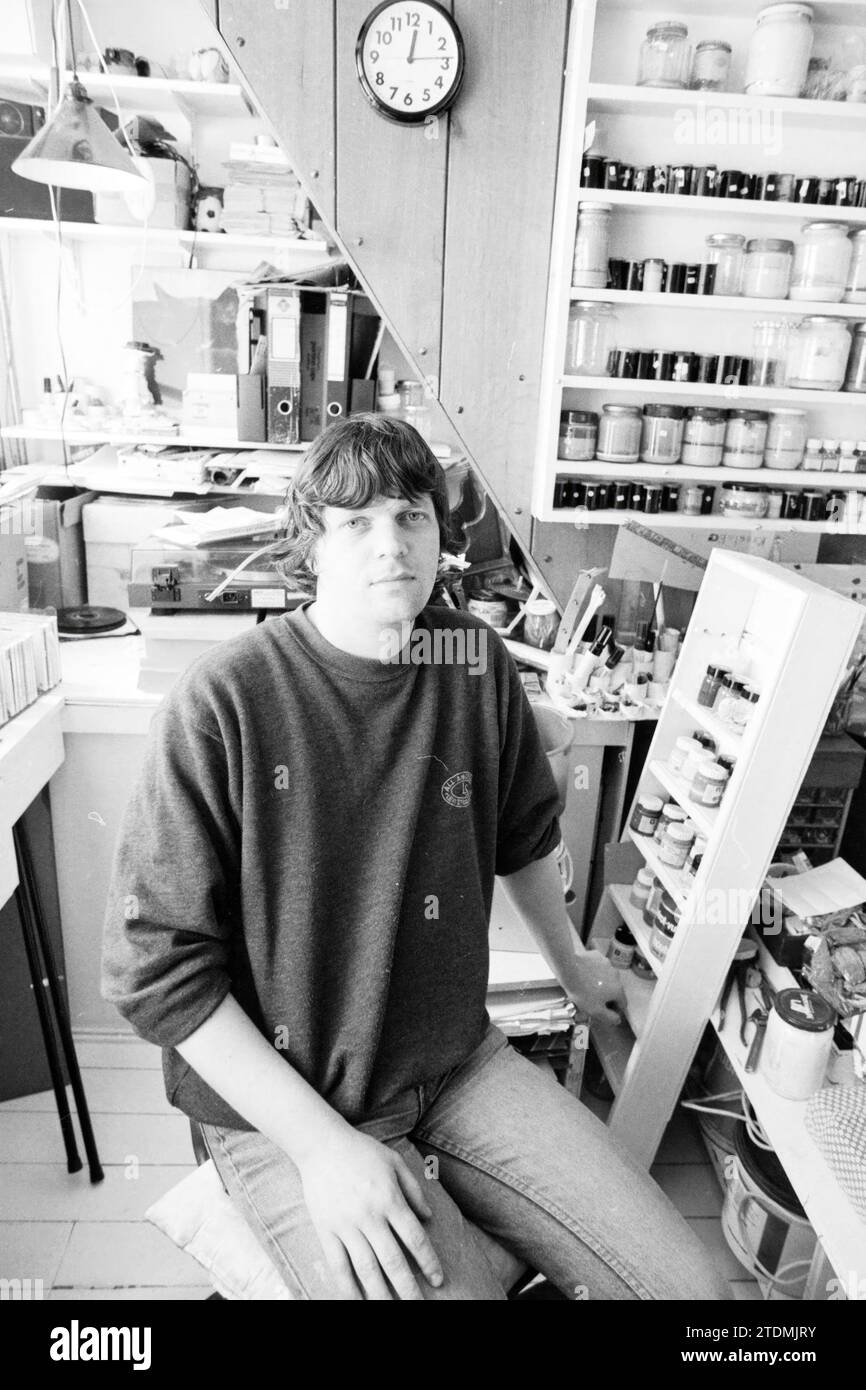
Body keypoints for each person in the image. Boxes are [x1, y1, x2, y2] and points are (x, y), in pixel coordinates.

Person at [102, 414, 728, 1301]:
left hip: (455, 1065)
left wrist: (577, 969)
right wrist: (324, 1150)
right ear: (311, 543)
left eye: (412, 515)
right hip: (287, 1105)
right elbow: (156, 974)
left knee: (692, 1293)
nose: (391, 545)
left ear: (442, 531)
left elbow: (523, 832)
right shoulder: (223, 702)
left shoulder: (471, 658)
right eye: (356, 522)